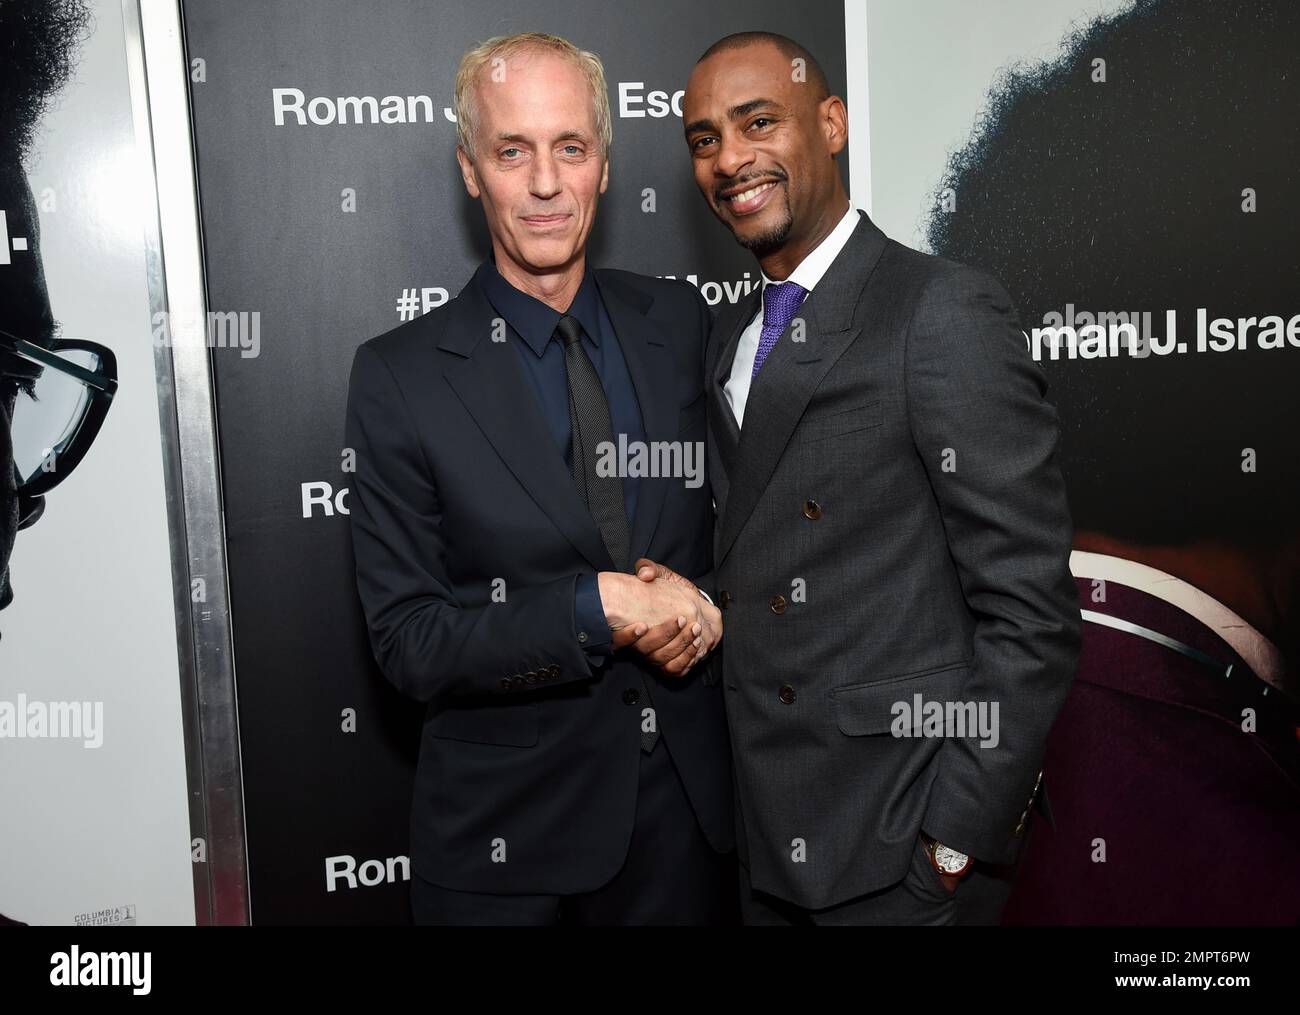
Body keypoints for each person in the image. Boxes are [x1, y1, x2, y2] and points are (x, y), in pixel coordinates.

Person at [645, 31, 1082, 925]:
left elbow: (1031, 613)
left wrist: (952, 846)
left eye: (758, 123)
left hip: (898, 850)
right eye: (705, 139)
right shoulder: (730, 341)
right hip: (769, 847)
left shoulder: (938, 309)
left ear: (832, 124)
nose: (731, 160)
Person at [345, 32, 735, 926]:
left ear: (605, 162)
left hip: (688, 835)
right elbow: (409, 641)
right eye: (512, 151)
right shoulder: (401, 375)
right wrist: (595, 607)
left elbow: (759, 524)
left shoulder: (679, 321)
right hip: (506, 853)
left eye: (571, 147)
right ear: (470, 169)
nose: (547, 183)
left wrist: (715, 604)